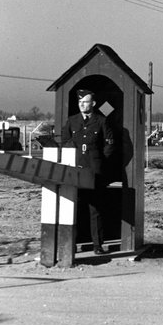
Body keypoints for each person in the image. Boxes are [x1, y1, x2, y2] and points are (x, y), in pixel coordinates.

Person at [62, 90, 116, 255]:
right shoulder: (72, 121)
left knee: (95, 210)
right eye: (80, 102)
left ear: (93, 103)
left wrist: (99, 163)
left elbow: (109, 145)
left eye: (85, 102)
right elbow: (65, 142)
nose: (82, 105)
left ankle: (97, 245)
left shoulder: (101, 121)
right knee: (74, 209)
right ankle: (72, 245)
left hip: (94, 173)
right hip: (76, 172)